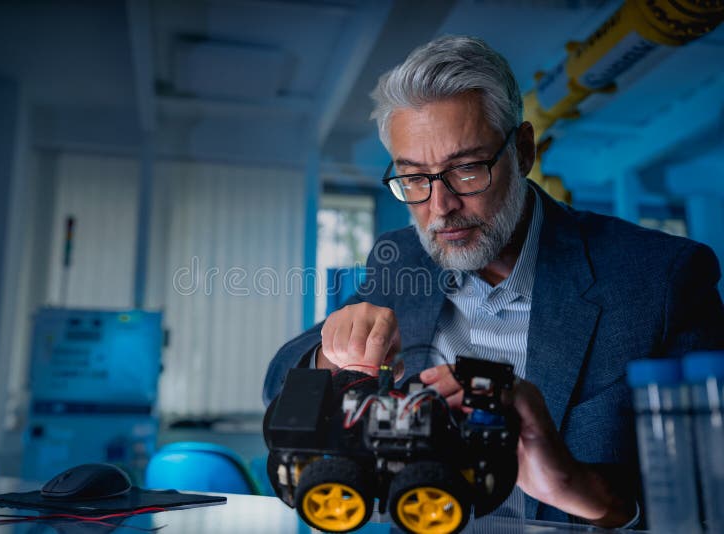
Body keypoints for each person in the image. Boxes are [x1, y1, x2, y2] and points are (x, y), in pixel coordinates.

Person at [263, 35, 724, 527]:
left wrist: (587, 493)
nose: (440, 208)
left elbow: (710, 495)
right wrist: (332, 354)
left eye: (465, 169)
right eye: (414, 178)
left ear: (522, 151)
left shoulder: (660, 278)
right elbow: (278, 381)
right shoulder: (400, 261)